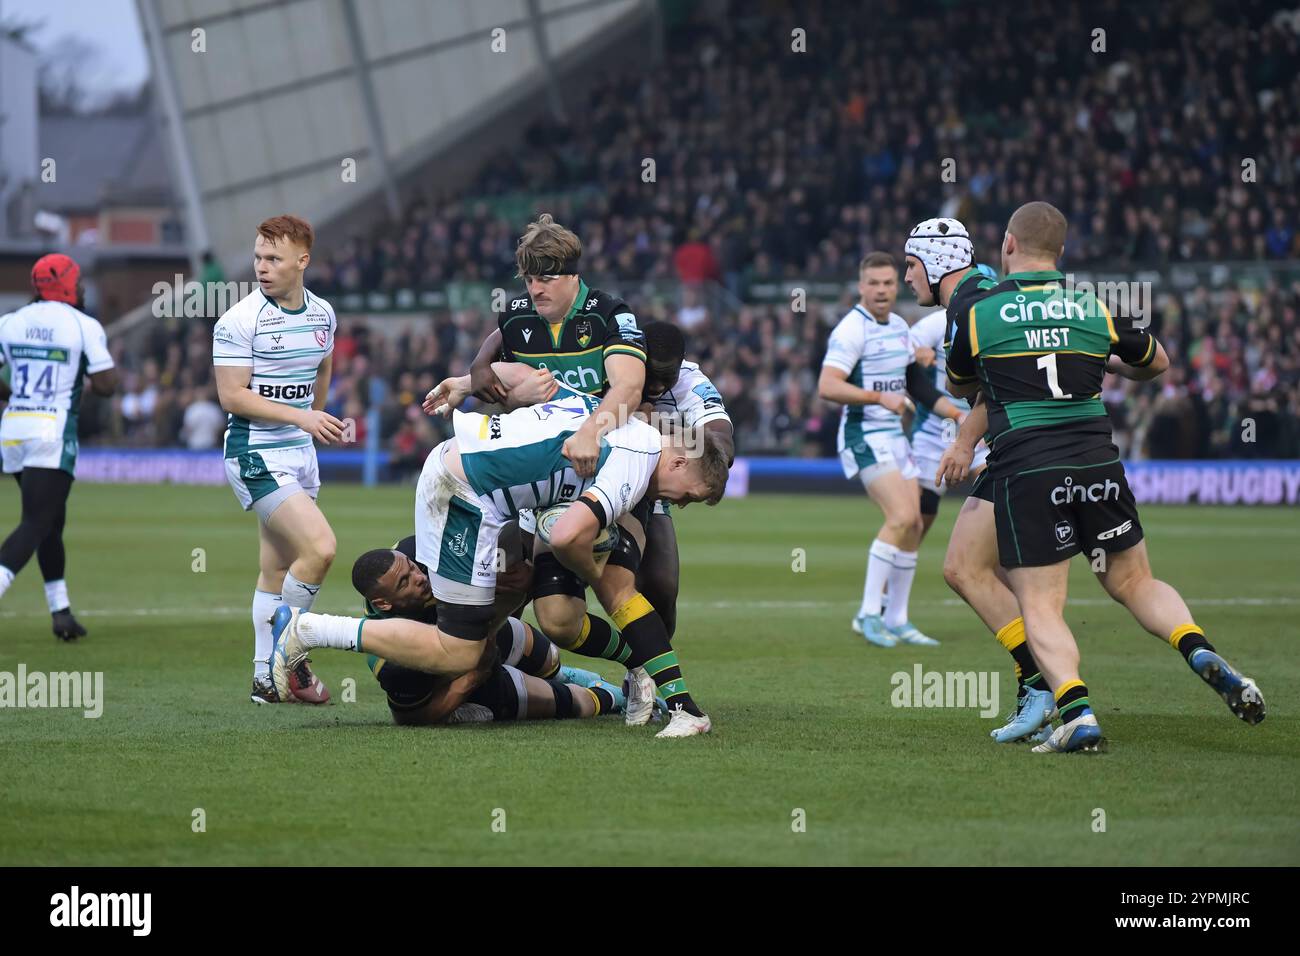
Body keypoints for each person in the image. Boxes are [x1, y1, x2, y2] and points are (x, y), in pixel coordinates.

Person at [941, 201, 1265, 753]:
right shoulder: (1091, 306)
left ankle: (1077, 711)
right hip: (1098, 462)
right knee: (1134, 582)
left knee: (1041, 603)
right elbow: (1158, 361)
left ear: (1009, 247)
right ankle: (1196, 647)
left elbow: (959, 384)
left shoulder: (979, 314)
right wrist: (1102, 360)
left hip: (1030, 467)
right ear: (1061, 253)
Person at [267, 385, 730, 738]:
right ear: (679, 464)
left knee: (473, 622)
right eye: (689, 496)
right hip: (467, 497)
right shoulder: (641, 456)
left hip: (457, 478)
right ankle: (310, 630)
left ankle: (661, 689)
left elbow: (533, 384)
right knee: (460, 649)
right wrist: (593, 571)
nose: (680, 505)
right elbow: (569, 536)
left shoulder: (614, 416)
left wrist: (466, 381)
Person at [904, 218, 1056, 744]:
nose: (906, 277)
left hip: (1022, 451)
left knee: (964, 568)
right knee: (1010, 575)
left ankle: (1042, 684)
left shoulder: (971, 307)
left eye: (910, 265)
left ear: (937, 263)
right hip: (1039, 448)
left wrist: (967, 442)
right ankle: (1058, 686)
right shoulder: (980, 293)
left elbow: (993, 390)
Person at [212, 215, 342, 704]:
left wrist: (314, 416)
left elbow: (323, 362)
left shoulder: (323, 314)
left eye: (274, 259)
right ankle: (293, 660)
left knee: (276, 568)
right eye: (258, 258)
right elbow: (232, 396)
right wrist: (303, 417)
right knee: (321, 549)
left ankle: (264, 681)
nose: (262, 268)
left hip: (299, 453)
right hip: (255, 453)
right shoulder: (239, 320)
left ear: (302, 261)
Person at [818, 251, 963, 647]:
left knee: (915, 524)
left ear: (895, 284)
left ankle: (898, 619)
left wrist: (957, 415)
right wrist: (878, 399)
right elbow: (828, 385)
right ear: (861, 287)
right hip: (865, 435)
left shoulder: (901, 326)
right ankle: (868, 613)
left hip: (896, 439)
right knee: (901, 517)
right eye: (874, 284)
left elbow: (916, 385)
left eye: (887, 283)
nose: (881, 290)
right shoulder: (852, 330)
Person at [349, 536, 622, 725]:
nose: (420, 577)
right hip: (461, 683)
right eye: (405, 582)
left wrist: (515, 576)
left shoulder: (422, 551)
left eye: (411, 568)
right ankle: (618, 698)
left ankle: (564, 675)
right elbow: (411, 717)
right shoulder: (391, 659)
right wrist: (474, 677)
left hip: (471, 629)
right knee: (570, 703)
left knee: (546, 656)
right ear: (383, 604)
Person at [0, 253, 118, 639]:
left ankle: (61, 612)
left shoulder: (11, 322)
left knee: (50, 519)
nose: (83, 287)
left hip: (14, 430)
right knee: (37, 521)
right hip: (52, 433)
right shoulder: (83, 325)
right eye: (78, 281)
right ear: (66, 284)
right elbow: (107, 385)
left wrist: (20, 383)